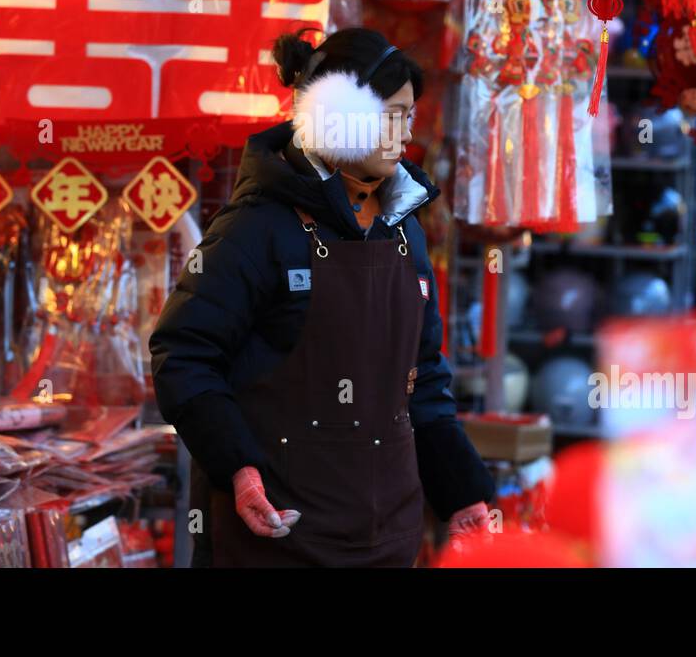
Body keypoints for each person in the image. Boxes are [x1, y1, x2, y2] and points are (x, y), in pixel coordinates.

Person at [150, 28, 495, 566]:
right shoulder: (256, 227)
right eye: (394, 115)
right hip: (275, 533)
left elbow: (422, 376)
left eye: (409, 115)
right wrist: (238, 469)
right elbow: (184, 355)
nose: (407, 135)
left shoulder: (403, 227)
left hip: (387, 535)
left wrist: (462, 492)